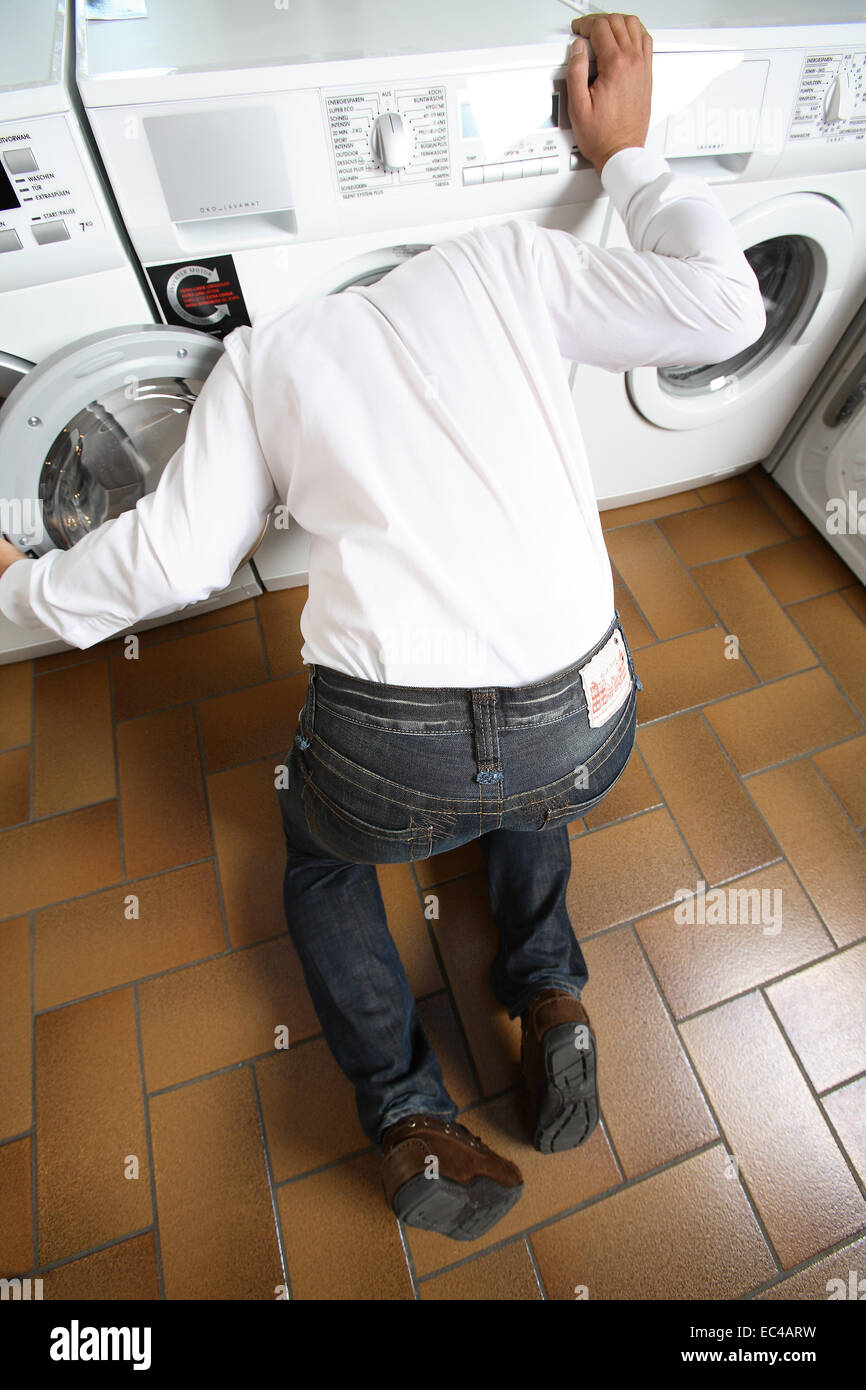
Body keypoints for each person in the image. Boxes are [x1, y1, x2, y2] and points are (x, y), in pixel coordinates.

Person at [0, 13, 766, 1242]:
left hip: (386, 749)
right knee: (533, 792)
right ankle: (549, 997)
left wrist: (20, 587)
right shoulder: (504, 260)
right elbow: (726, 309)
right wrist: (624, 156)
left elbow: (172, 560)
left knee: (322, 858)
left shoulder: (262, 353)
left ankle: (409, 1112)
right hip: (588, 712)